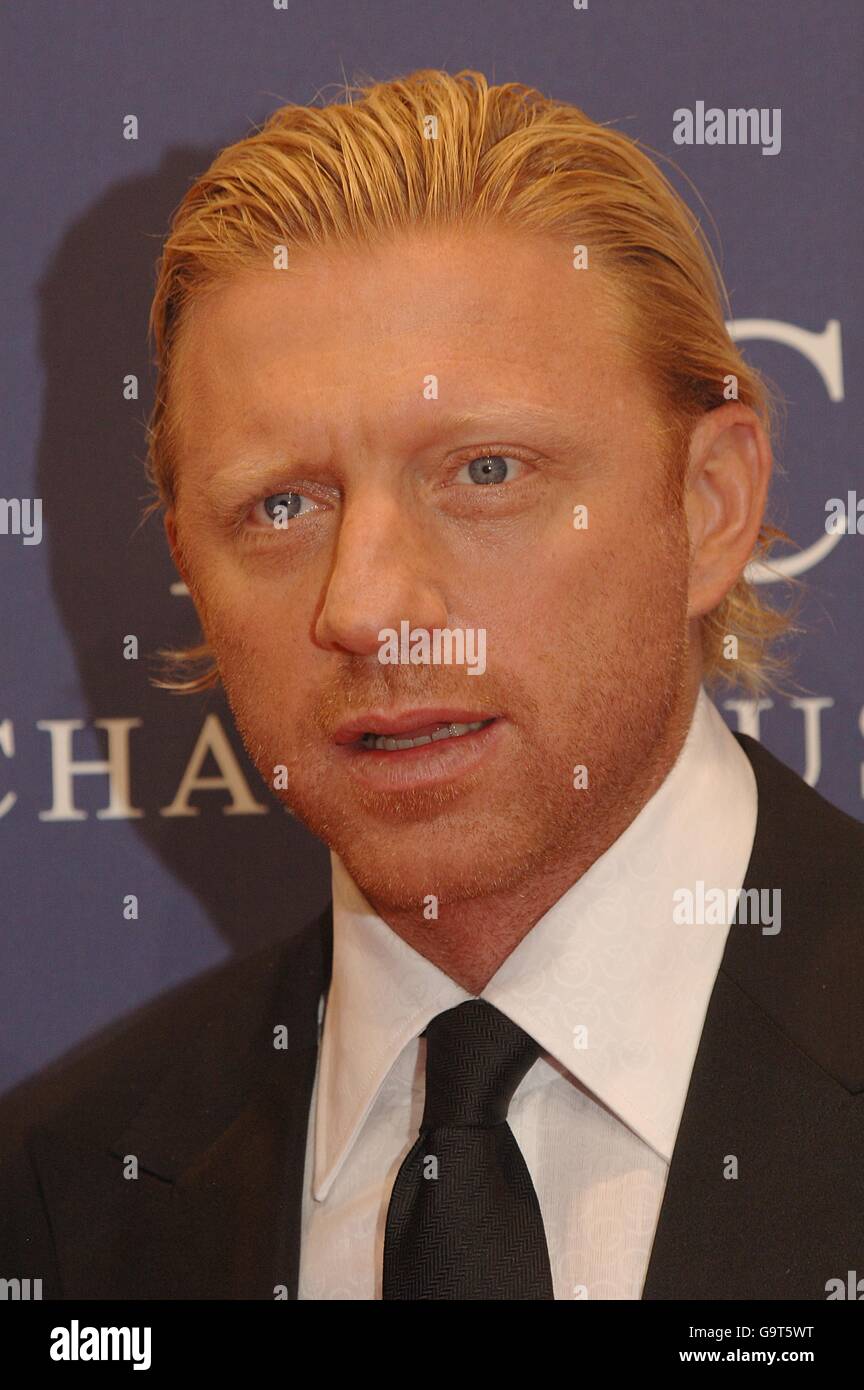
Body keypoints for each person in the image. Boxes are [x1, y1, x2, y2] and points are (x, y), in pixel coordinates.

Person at [2, 68, 862, 1301]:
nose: (364, 608)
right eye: (280, 505)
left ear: (709, 504)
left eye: (487, 470)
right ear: (186, 555)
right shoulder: (58, 1209)